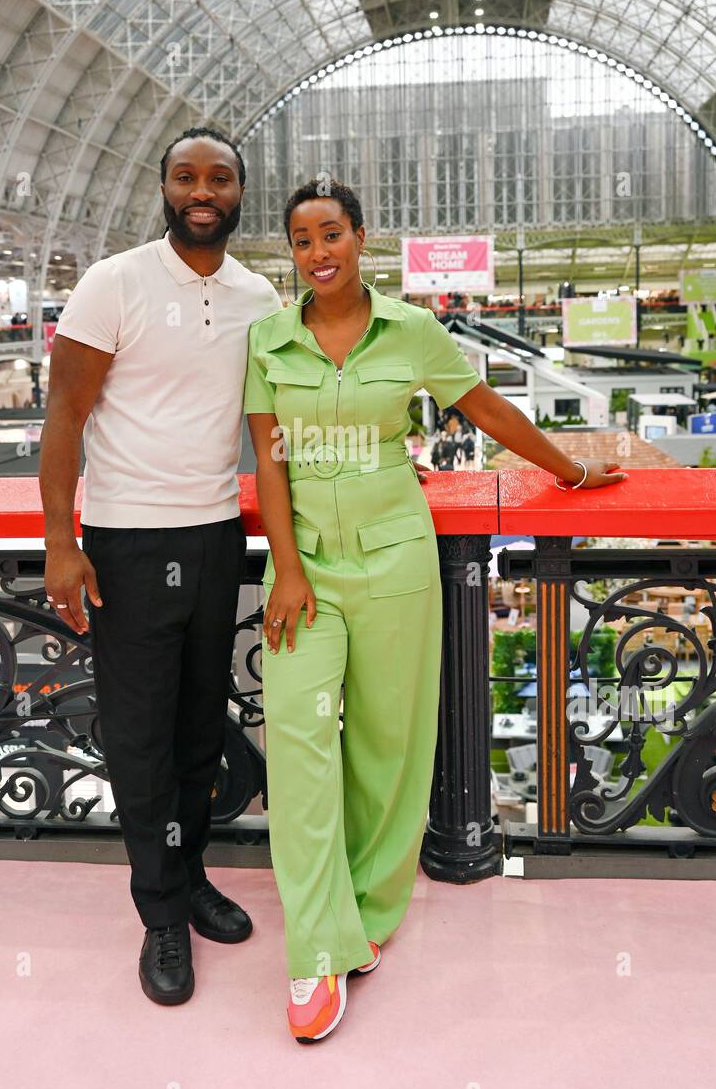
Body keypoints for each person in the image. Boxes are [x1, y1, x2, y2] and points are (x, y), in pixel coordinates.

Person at [244, 179, 626, 1043]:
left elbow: (483, 409)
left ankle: (371, 911)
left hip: (397, 561)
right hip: (304, 574)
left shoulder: (411, 331)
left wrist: (569, 470)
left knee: (389, 743)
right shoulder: (267, 340)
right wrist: (288, 569)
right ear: (292, 254)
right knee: (299, 751)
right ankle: (315, 950)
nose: (318, 252)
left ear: (361, 238)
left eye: (331, 233)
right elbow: (271, 460)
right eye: (302, 240)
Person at [39, 127, 280, 1006]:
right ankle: (161, 916)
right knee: (139, 739)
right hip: (127, 541)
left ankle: (191, 874)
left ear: (240, 192)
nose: (202, 191)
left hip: (216, 536)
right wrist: (62, 543)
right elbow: (64, 415)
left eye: (219, 178)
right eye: (186, 177)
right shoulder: (116, 282)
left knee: (195, 729)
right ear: (165, 188)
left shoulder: (259, 295)